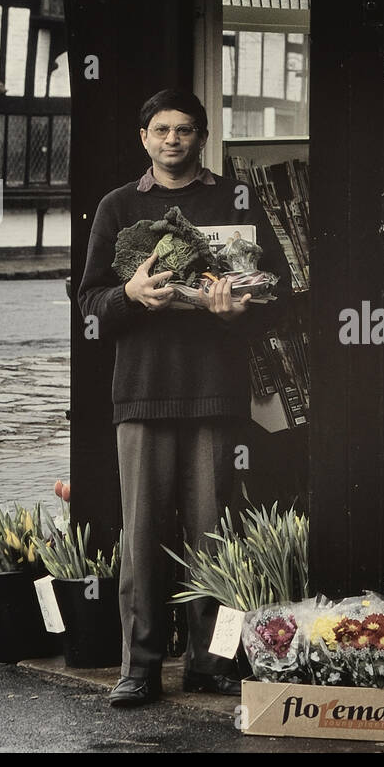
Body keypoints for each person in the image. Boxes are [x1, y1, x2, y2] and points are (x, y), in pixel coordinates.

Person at [77, 89, 288, 706]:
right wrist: (128, 297)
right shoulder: (117, 207)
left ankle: (212, 660)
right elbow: (90, 304)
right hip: (141, 395)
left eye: (186, 130)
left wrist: (235, 313)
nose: (173, 140)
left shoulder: (234, 200)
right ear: (144, 137)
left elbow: (274, 295)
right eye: (162, 130)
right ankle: (139, 667)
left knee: (214, 535)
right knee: (141, 538)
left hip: (216, 392)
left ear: (202, 137)